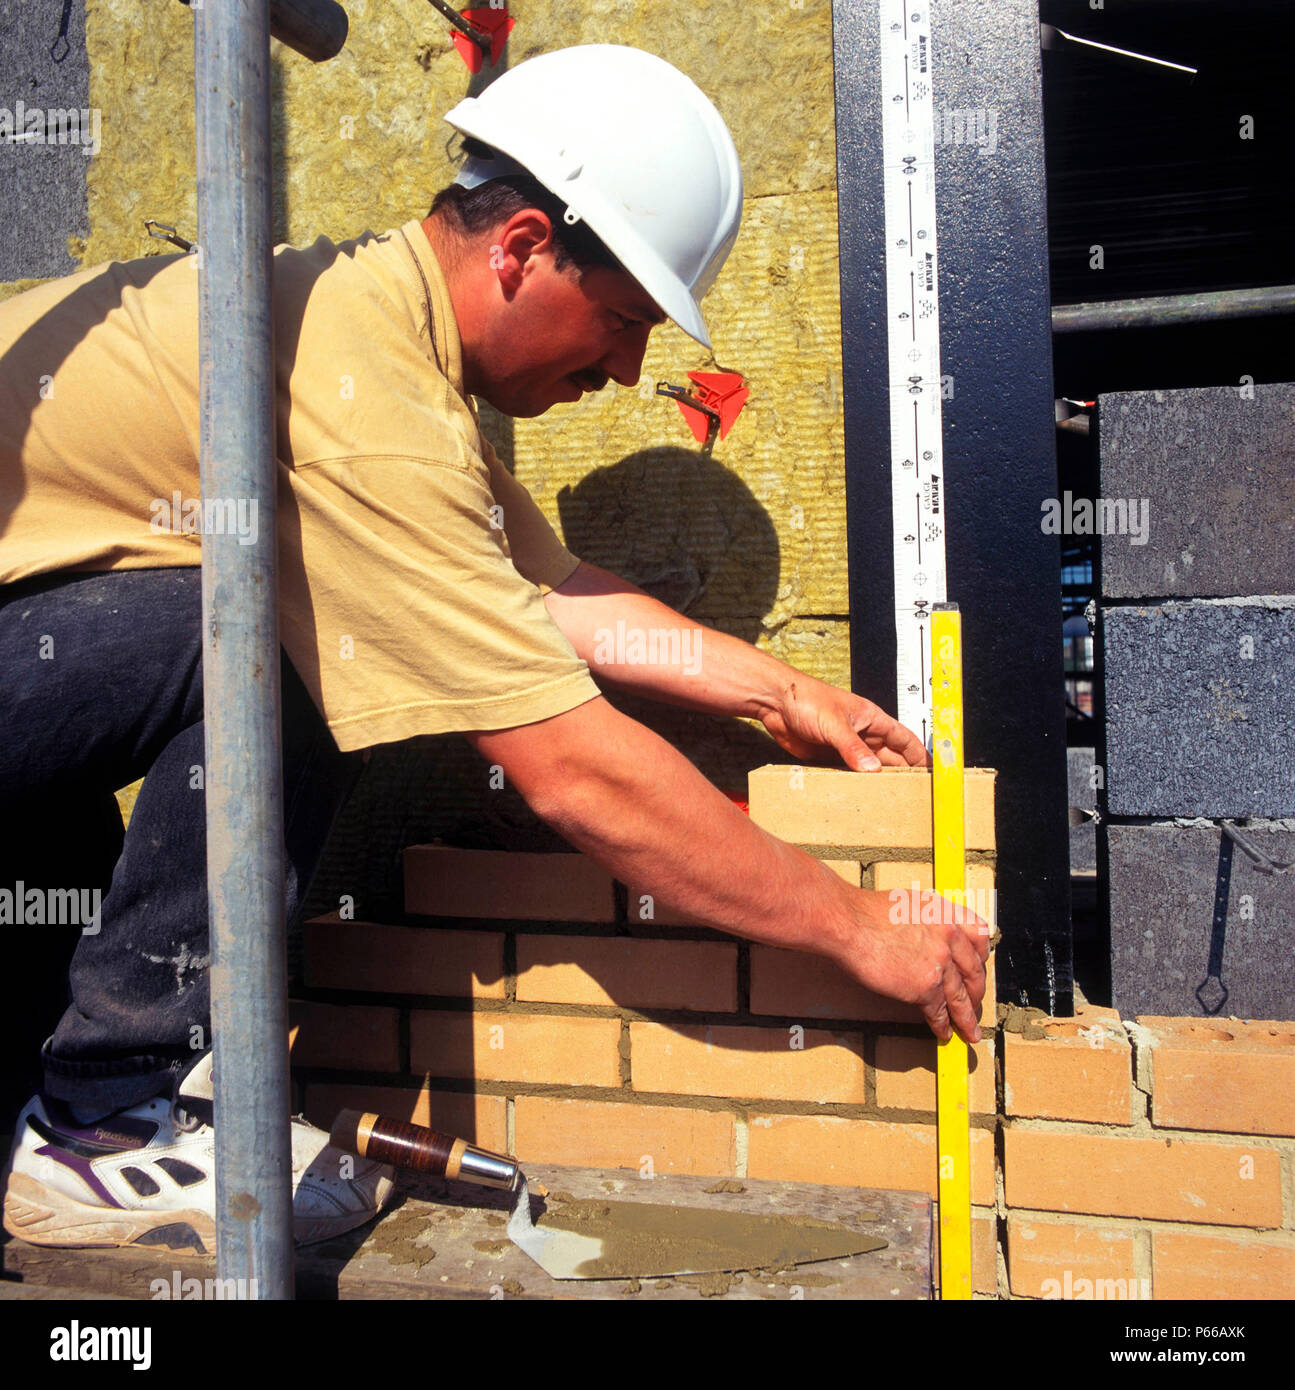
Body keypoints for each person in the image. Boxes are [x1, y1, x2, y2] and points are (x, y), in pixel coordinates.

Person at [0, 45, 988, 1254]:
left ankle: (85, 1097)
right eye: (623, 321)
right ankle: (102, 1130)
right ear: (520, 246)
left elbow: (553, 592)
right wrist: (858, 929)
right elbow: (570, 769)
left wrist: (783, 694)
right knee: (300, 634)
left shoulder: (376, 340)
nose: (626, 370)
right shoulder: (364, 404)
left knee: (300, 610)